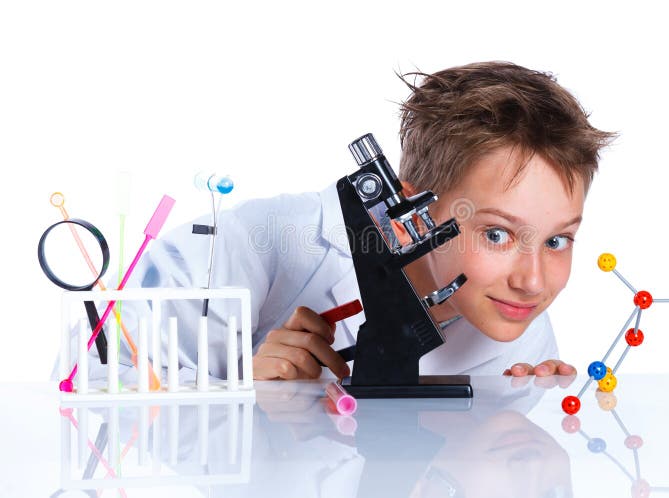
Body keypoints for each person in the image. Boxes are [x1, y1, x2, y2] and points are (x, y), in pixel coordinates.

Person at [84, 61, 614, 384]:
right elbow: (83, 379)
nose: (533, 281)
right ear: (410, 210)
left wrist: (527, 431)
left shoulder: (518, 324)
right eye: (496, 234)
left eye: (558, 240)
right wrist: (239, 390)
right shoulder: (259, 243)